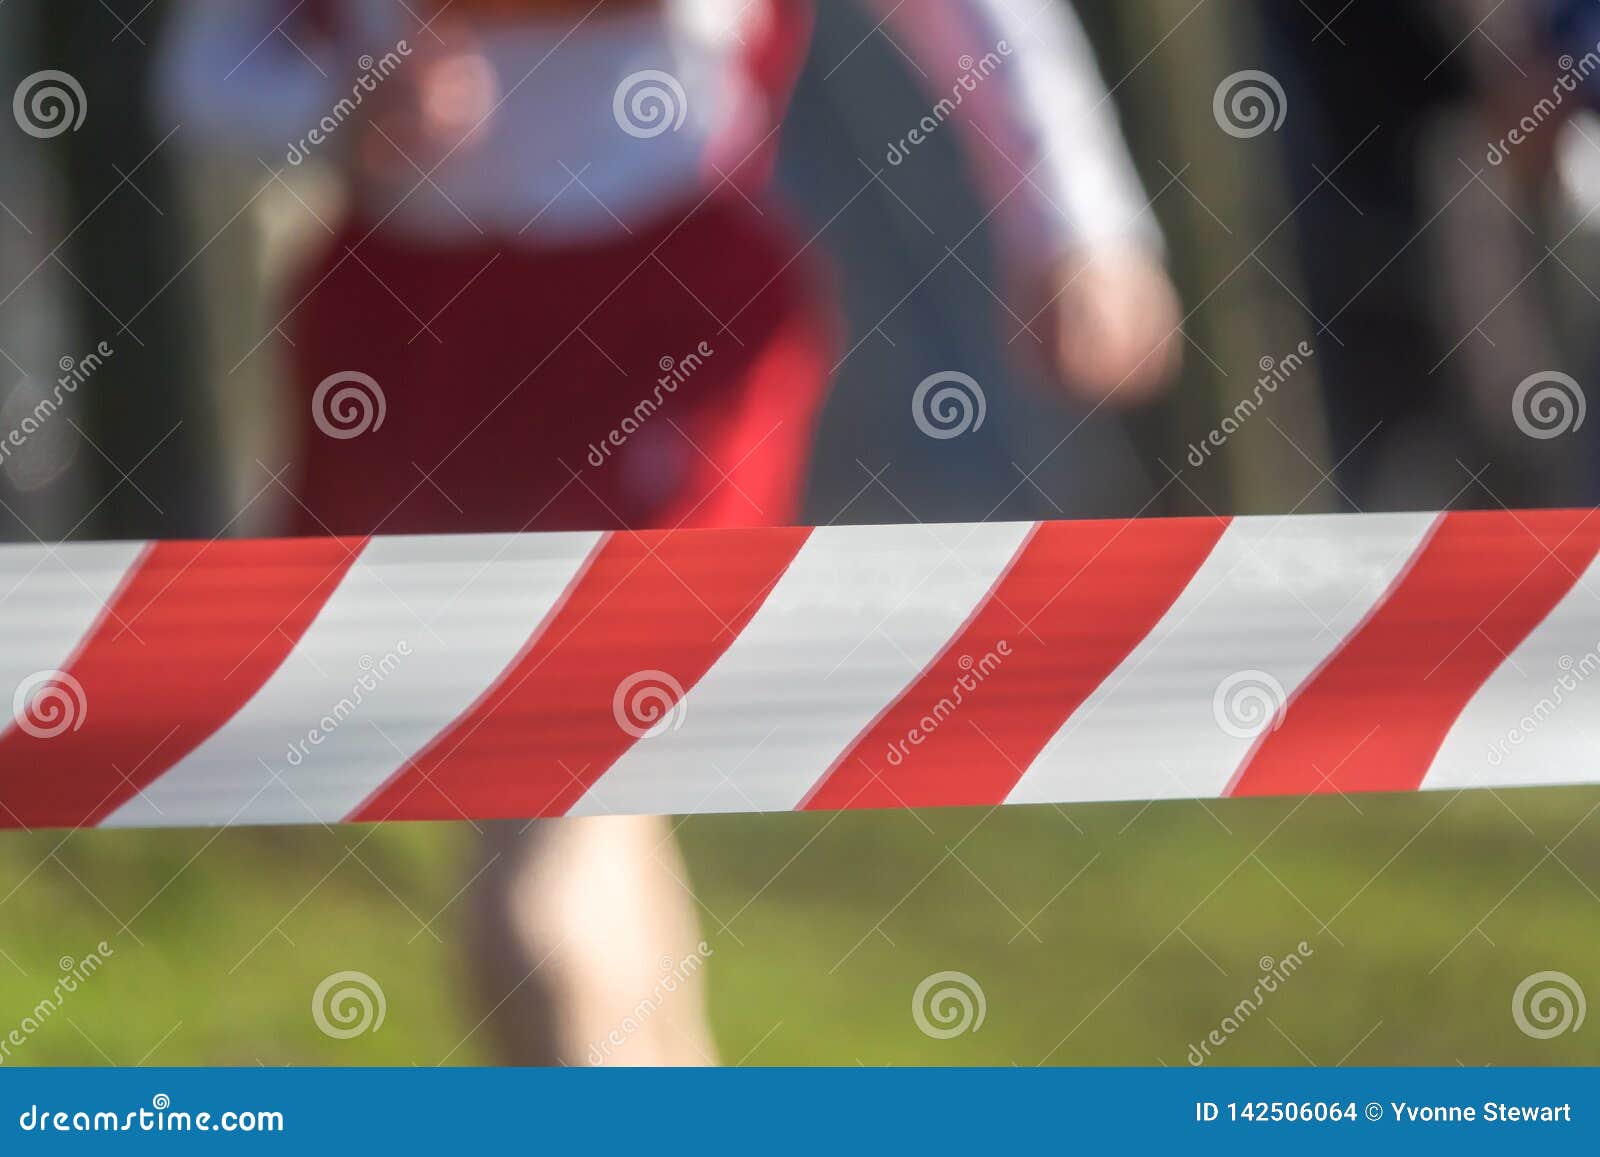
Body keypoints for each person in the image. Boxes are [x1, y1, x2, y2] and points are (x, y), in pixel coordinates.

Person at [156, 0, 1179, 1064]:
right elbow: (208, 73)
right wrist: (343, 107)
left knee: (549, 811)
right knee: (562, 805)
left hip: (668, 312)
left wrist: (1079, 227)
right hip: (411, 328)